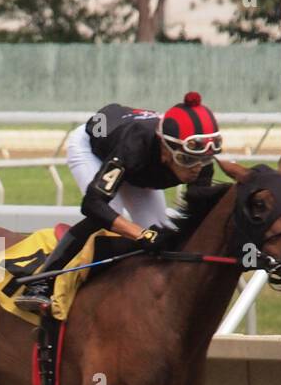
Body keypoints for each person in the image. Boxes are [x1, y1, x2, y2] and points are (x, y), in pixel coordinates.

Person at [14, 91, 222, 312]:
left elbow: (199, 219)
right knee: (109, 214)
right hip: (96, 150)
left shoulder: (200, 160)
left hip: (139, 169)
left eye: (204, 160)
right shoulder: (134, 144)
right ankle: (40, 282)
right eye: (187, 160)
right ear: (164, 149)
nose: (196, 169)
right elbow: (93, 205)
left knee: (162, 230)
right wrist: (140, 234)